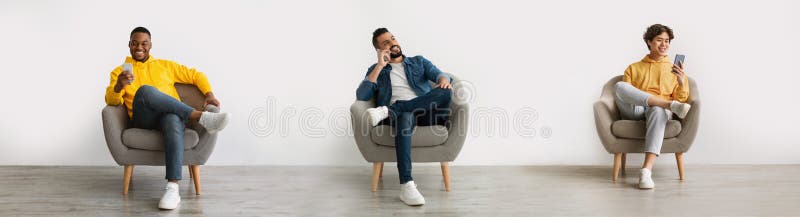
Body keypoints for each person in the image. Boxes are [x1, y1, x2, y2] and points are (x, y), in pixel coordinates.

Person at [104, 27, 230, 209]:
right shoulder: (119, 72)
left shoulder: (165, 66)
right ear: (129, 45)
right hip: (144, 120)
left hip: (169, 118)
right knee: (146, 91)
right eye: (135, 43)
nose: (139, 47)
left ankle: (172, 188)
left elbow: (196, 75)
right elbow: (111, 101)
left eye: (144, 43)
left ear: (150, 45)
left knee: (172, 116)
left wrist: (209, 94)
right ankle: (199, 117)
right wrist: (118, 86)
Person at [356, 28, 453, 206]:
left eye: (392, 38)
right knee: (405, 115)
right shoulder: (377, 70)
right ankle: (407, 185)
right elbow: (362, 95)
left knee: (446, 93)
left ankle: (391, 110)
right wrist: (379, 65)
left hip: (427, 113)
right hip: (404, 118)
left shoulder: (418, 61)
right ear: (379, 50)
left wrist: (443, 80)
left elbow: (440, 74)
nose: (392, 43)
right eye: (386, 42)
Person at [615, 24, 691, 189]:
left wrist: (681, 81)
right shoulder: (633, 68)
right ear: (649, 42)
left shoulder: (674, 69)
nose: (664, 44)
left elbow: (682, 99)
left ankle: (646, 172)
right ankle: (667, 104)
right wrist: (669, 104)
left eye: (667, 41)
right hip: (636, 110)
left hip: (659, 112)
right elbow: (626, 94)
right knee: (619, 86)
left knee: (658, 109)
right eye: (659, 40)